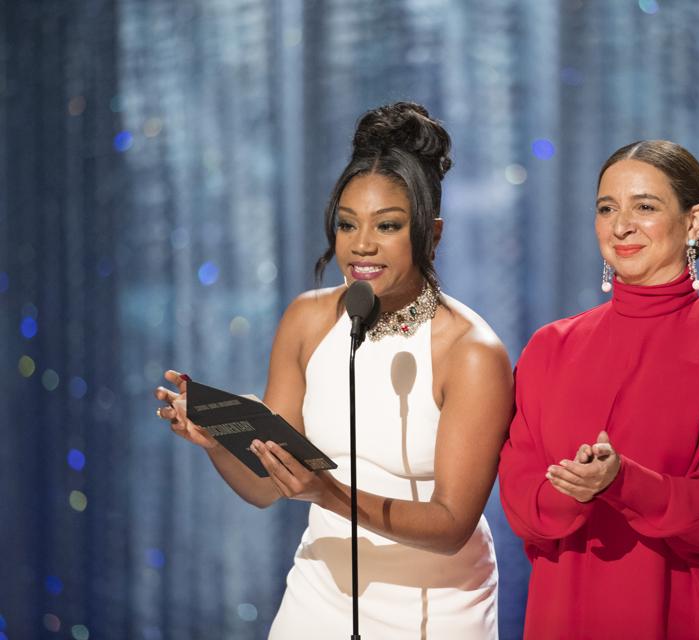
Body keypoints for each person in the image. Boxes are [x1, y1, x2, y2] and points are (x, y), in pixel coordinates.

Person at [154, 102, 513, 639]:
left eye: (387, 225)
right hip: (321, 589)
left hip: (437, 604)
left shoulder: (471, 351)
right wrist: (217, 440)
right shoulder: (307, 320)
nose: (361, 244)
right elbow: (268, 487)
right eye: (347, 224)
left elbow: (451, 526)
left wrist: (327, 494)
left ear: (431, 234)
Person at [498, 140, 699, 639]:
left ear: (693, 222)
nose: (621, 226)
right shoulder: (549, 348)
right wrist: (579, 490)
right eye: (607, 209)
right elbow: (521, 500)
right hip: (564, 615)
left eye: (644, 207)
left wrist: (623, 482)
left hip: (681, 616)